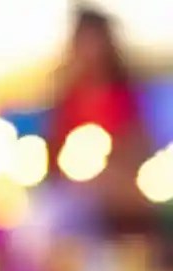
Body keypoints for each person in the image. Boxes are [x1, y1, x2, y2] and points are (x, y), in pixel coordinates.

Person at [43, 6, 153, 240]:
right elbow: (54, 161)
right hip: (76, 201)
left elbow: (137, 151)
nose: (90, 50)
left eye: (95, 41)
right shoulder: (66, 99)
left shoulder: (126, 97)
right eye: (84, 42)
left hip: (119, 197)